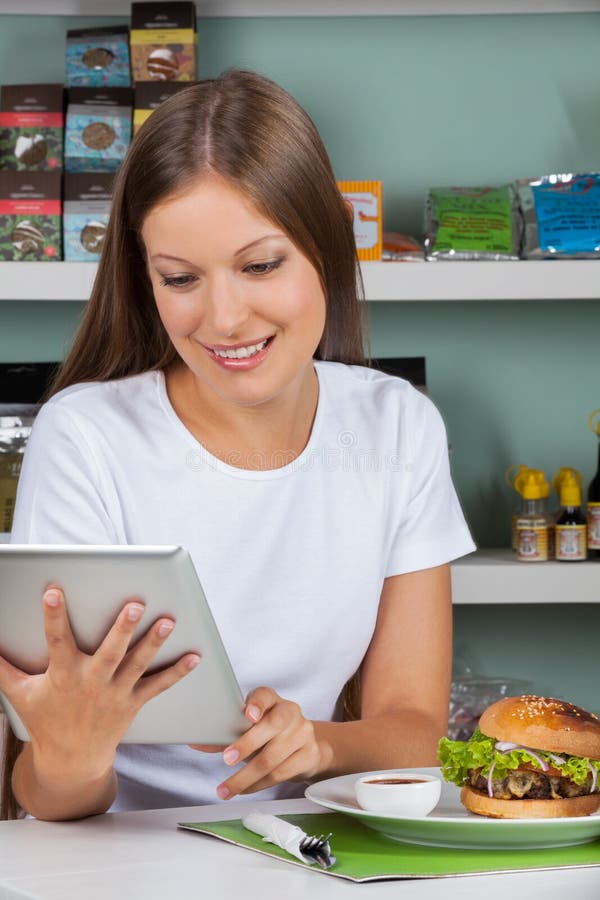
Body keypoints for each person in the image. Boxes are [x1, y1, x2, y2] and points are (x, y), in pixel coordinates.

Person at [0, 69, 475, 821]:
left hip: (304, 851)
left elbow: (413, 731)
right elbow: (46, 795)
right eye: (181, 278)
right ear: (144, 278)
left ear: (326, 244)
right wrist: (70, 752)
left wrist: (316, 744)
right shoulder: (85, 437)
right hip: (113, 862)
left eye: (260, 266)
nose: (224, 318)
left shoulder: (397, 427)